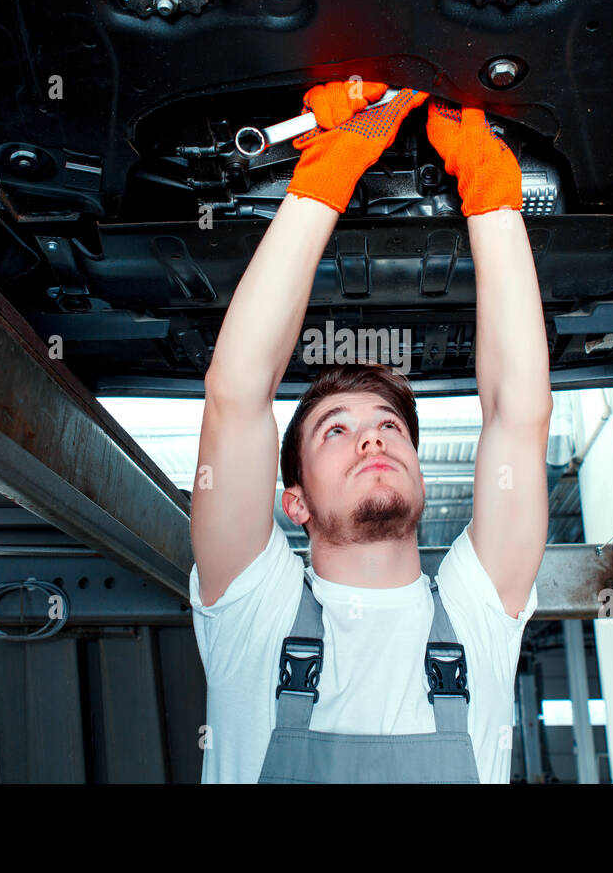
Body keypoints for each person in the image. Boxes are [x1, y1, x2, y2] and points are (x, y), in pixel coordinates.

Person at [188, 78, 552, 783]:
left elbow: (518, 415)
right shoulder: (250, 611)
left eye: (389, 424)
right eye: (335, 431)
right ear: (292, 502)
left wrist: (489, 184)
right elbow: (235, 396)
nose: (374, 438)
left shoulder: (471, 615)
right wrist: (328, 176)